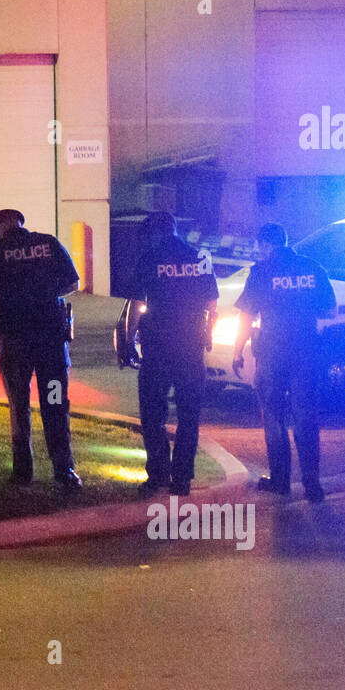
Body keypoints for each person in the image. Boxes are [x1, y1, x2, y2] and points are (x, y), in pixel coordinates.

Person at [0, 208, 82, 492]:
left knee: (19, 405)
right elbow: (73, 281)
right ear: (21, 223)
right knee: (56, 402)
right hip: (51, 342)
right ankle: (64, 469)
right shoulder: (48, 242)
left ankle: (23, 472)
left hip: (15, 340)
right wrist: (45, 293)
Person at [232, 223, 337, 503]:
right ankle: (313, 485)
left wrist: (238, 351)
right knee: (306, 417)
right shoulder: (313, 268)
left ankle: (280, 482)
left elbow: (246, 316)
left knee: (274, 417)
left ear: (266, 245)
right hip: (306, 353)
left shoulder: (261, 272)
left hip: (272, 355)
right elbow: (331, 309)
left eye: (260, 247)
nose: (259, 251)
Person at [121, 212, 219, 498]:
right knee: (189, 414)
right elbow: (212, 304)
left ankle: (158, 474)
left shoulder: (149, 258)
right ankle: (182, 479)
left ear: (155, 233)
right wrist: (208, 336)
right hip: (191, 348)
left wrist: (128, 342)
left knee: (153, 413)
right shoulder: (199, 256)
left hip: (157, 348)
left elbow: (136, 305)